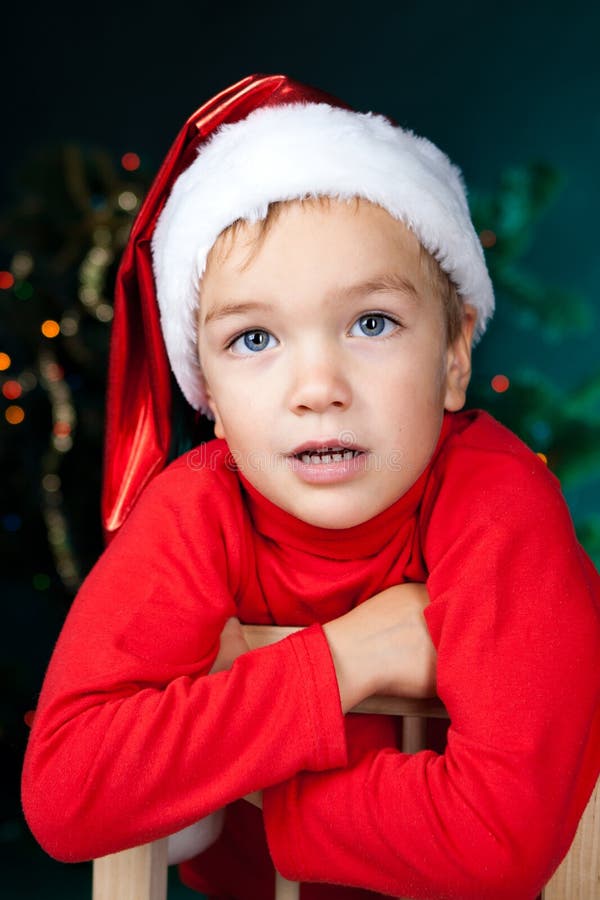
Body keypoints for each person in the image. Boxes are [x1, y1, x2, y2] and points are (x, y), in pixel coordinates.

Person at [21, 74, 600, 900]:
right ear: (208, 396)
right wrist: (342, 661)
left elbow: (497, 842)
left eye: (372, 324)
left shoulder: (498, 505)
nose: (317, 385)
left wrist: (251, 788)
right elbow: (66, 791)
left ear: (455, 356)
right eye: (254, 337)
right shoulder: (197, 509)